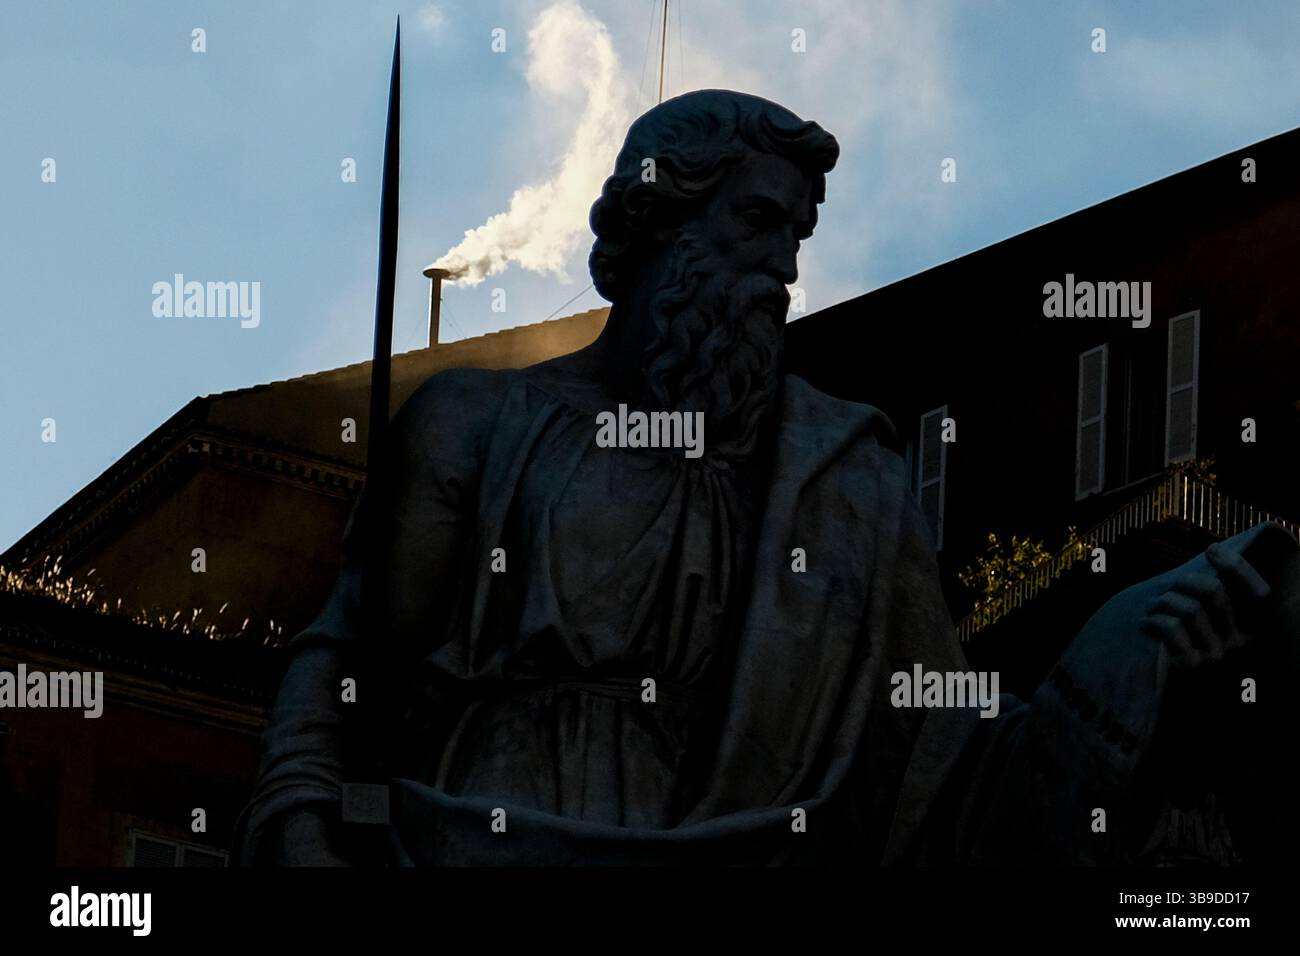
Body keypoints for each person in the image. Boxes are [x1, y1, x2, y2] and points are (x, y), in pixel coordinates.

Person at [235, 90, 1299, 866]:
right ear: (659, 223)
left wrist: (1131, 646)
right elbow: (353, 657)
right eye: (756, 222)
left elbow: (944, 763)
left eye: (796, 234)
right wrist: (298, 817)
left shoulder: (846, 478)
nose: (784, 265)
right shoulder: (479, 420)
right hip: (490, 830)